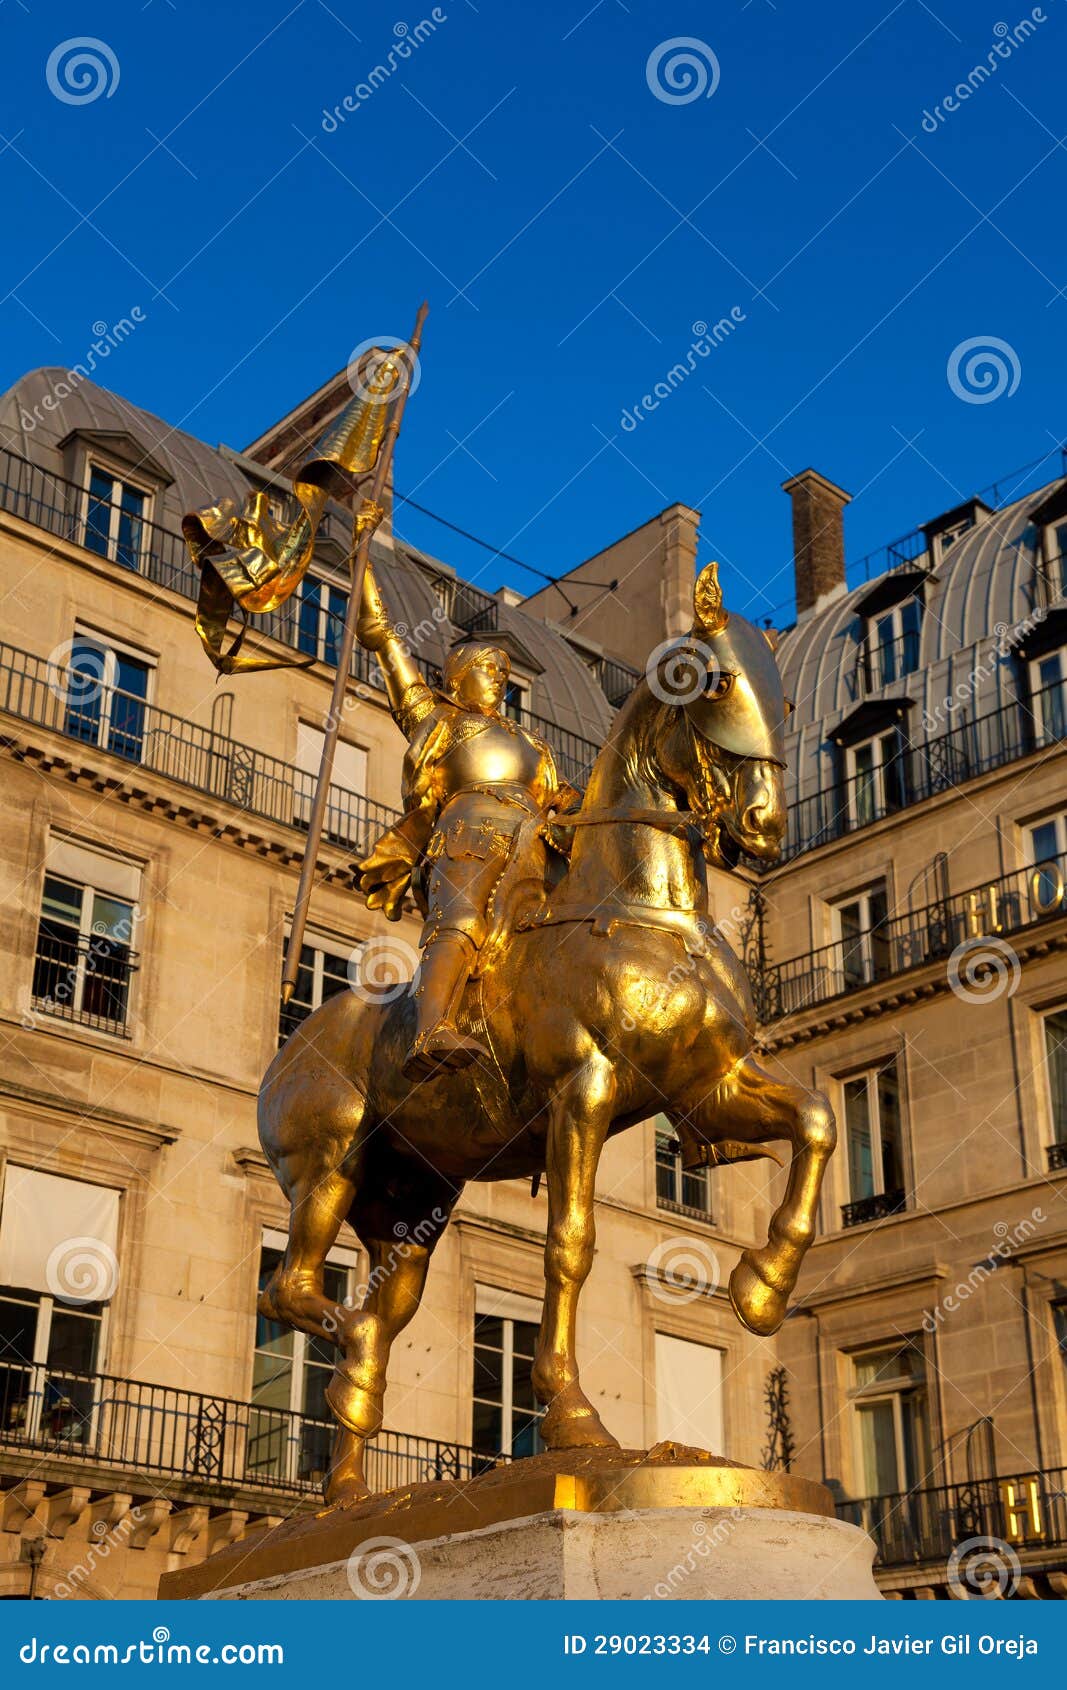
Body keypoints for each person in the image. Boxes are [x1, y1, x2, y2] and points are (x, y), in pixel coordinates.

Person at [355, 559, 580, 1078]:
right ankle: (429, 1029)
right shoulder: (440, 720)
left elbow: (564, 798)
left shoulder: (532, 743)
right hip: (469, 835)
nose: (499, 681)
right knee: (459, 919)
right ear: (457, 679)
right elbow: (382, 638)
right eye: (487, 669)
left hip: (535, 842)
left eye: (504, 673)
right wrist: (360, 559)